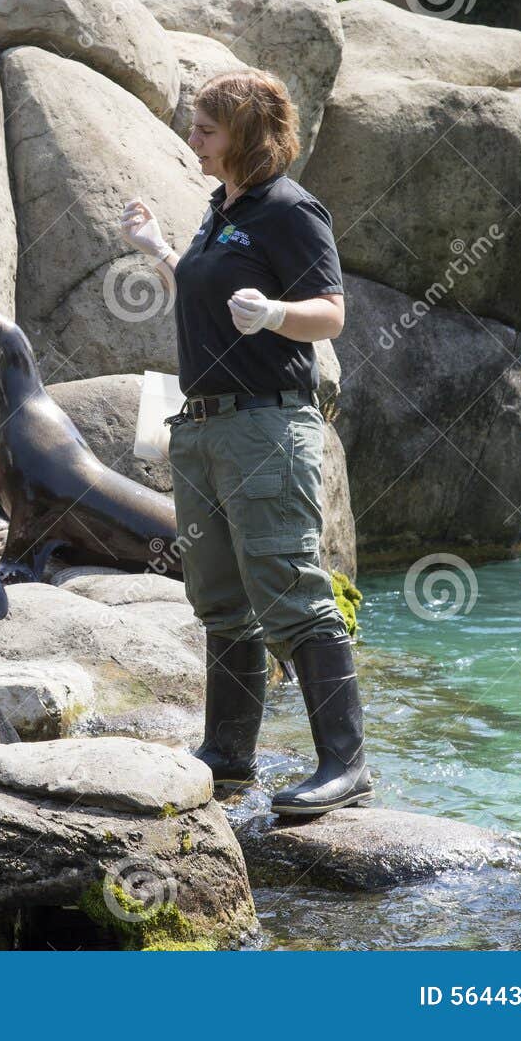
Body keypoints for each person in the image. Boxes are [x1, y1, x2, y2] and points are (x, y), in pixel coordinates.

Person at [119, 68, 370, 815]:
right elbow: (205, 292)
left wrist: (276, 314)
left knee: (291, 592)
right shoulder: (218, 208)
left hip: (266, 424)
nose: (192, 140)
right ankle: (229, 755)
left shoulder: (290, 210)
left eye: (205, 130)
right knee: (221, 600)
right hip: (203, 427)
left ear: (246, 138)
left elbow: (330, 315)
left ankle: (345, 765)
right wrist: (159, 249)